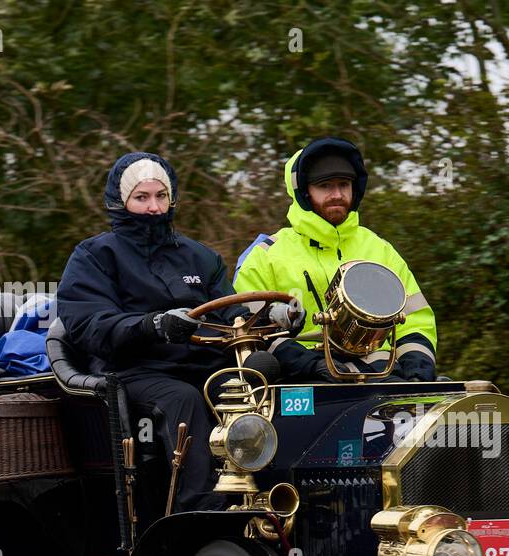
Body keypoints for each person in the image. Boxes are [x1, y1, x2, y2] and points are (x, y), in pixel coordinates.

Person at [56, 151, 241, 511]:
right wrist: (153, 325)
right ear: (119, 202)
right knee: (183, 398)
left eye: (161, 196)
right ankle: (200, 511)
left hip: (200, 366)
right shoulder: (95, 255)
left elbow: (231, 313)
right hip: (131, 371)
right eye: (142, 197)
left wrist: (276, 319)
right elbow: (88, 325)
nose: (154, 207)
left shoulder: (201, 257)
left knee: (254, 389)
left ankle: (278, 495)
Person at [233, 137, 437, 382]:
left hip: (381, 375)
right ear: (304, 193)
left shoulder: (381, 250)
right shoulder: (264, 256)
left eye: (344, 184)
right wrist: (313, 366)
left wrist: (417, 377)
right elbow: (253, 333)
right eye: (325, 186)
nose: (337, 194)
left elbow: (415, 321)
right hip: (303, 383)